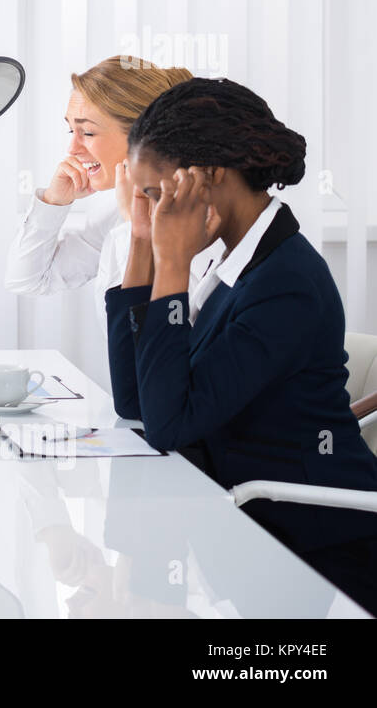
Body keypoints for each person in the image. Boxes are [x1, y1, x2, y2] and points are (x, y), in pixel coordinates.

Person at [106, 76, 377, 614]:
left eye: (158, 196)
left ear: (209, 176)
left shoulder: (286, 281)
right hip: (240, 520)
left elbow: (170, 423)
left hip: (310, 543)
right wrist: (142, 245)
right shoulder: (239, 261)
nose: (154, 212)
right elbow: (136, 402)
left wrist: (174, 263)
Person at [5, 56, 223, 334]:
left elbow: (165, 338)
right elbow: (27, 280)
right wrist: (53, 201)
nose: (72, 148)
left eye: (87, 132)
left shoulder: (205, 220)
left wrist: (136, 228)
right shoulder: (114, 215)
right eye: (71, 130)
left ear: (143, 136)